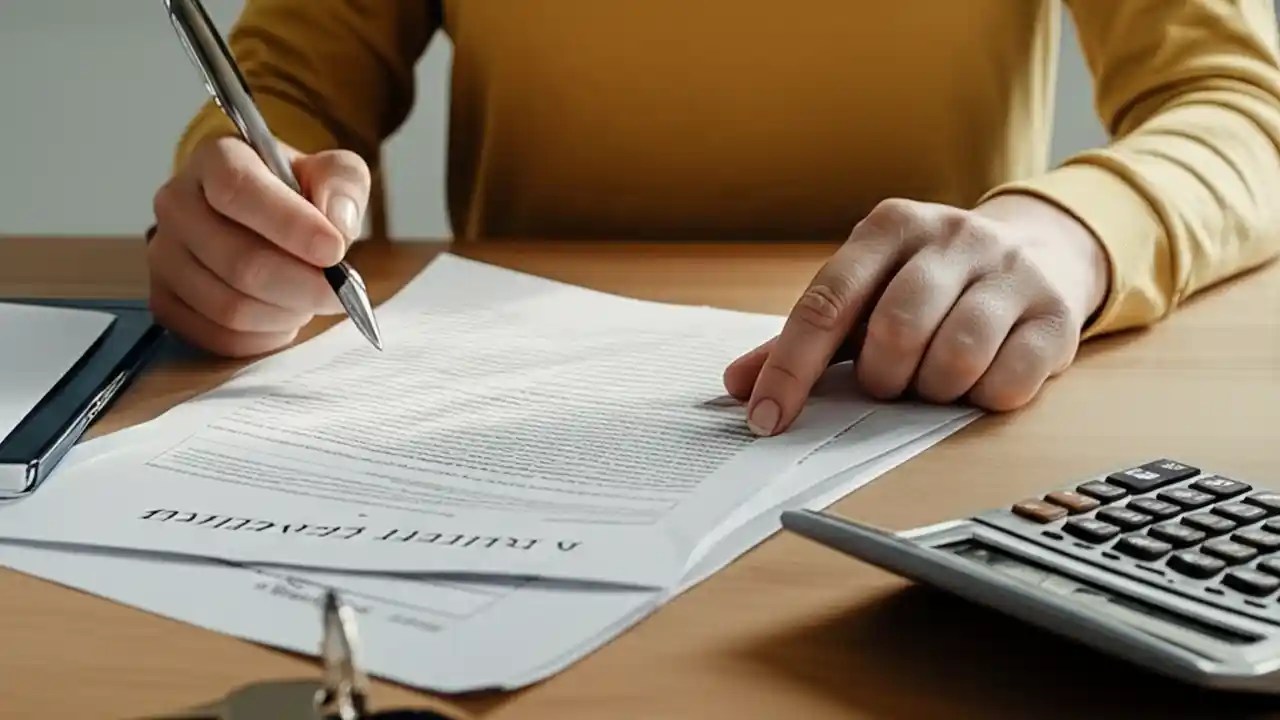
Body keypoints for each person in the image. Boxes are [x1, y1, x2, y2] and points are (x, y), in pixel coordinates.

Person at [148, 1, 1280, 437]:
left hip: (926, 403)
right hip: (502, 413)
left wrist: (1070, 233)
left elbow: (1243, 105)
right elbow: (285, 84)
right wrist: (241, 206)